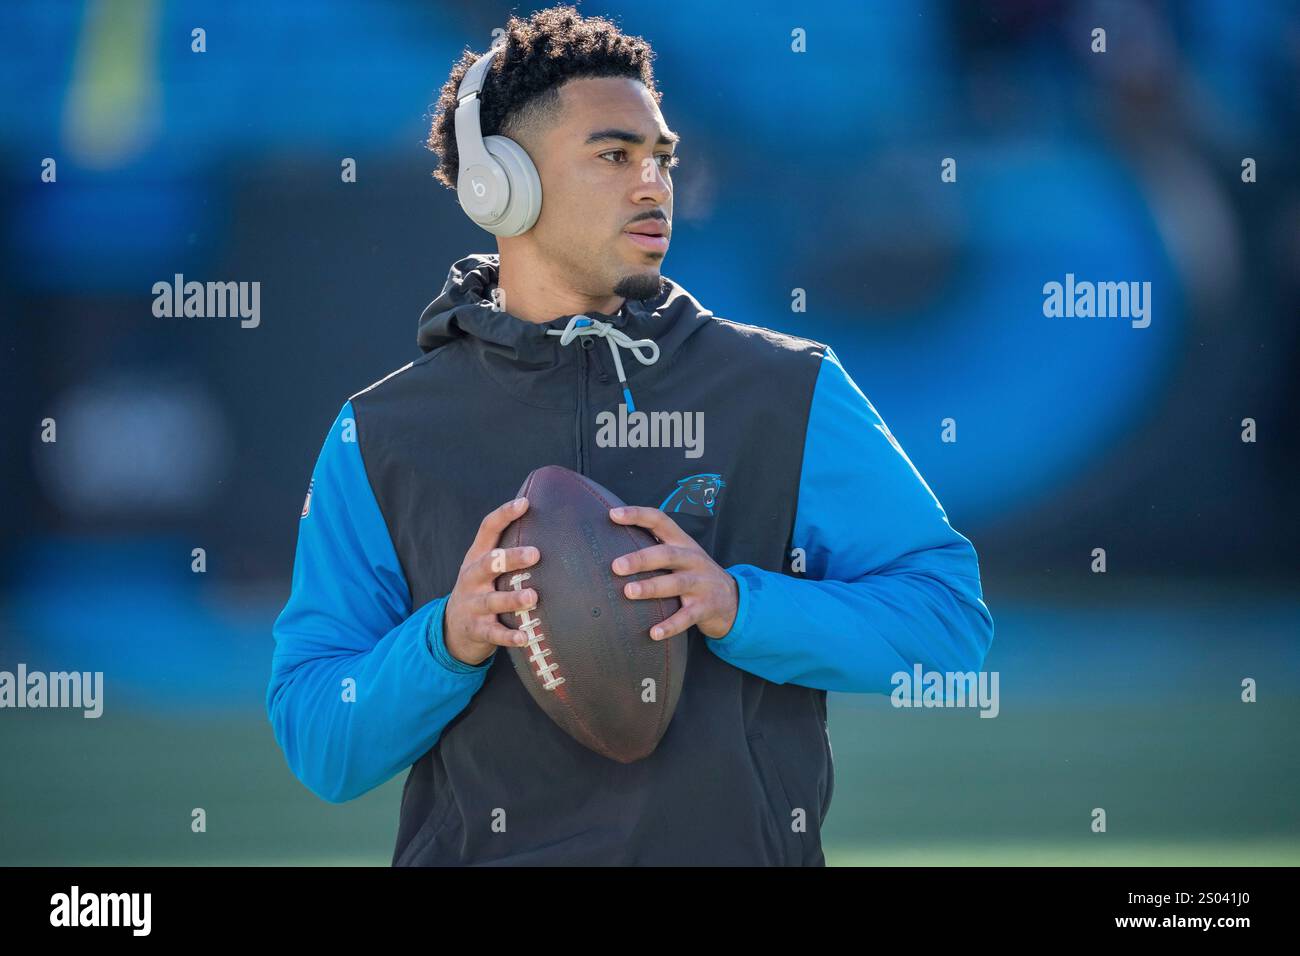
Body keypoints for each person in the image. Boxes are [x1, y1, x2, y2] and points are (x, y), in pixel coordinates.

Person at [267, 5, 993, 866]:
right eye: (614, 156)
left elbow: (950, 631)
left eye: (662, 159)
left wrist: (738, 604)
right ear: (500, 184)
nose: (653, 185)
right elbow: (321, 744)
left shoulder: (786, 388)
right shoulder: (381, 434)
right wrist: (445, 641)